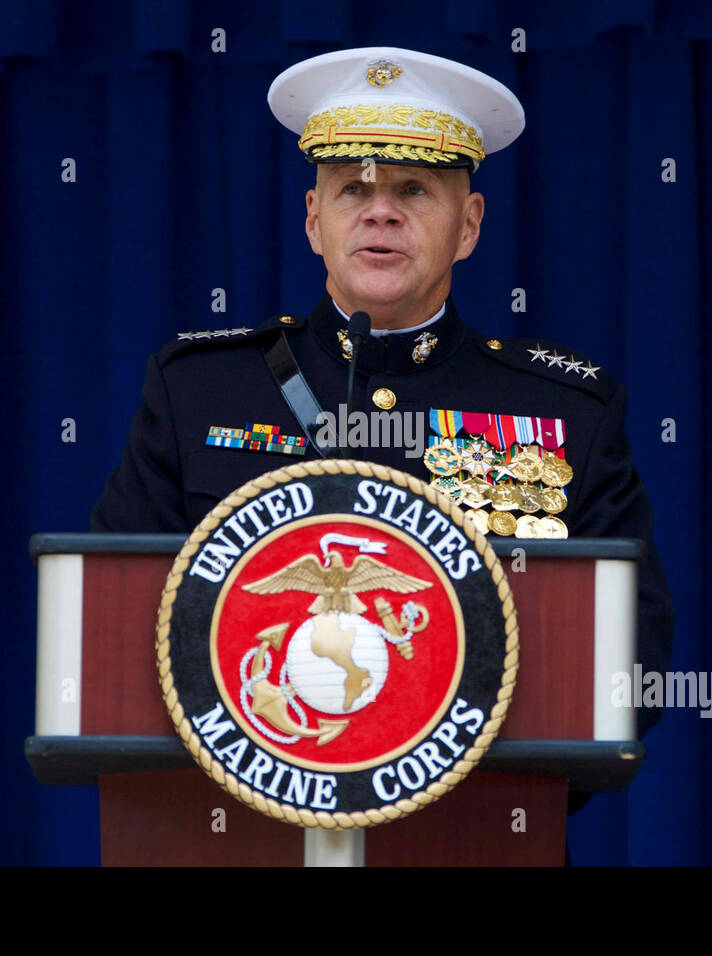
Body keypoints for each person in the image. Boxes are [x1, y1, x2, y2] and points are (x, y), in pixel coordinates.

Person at [90, 47, 675, 779]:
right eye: (350, 190)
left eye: (414, 188)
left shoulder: (563, 409)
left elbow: (629, 654)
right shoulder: (199, 390)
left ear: (468, 225)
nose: (381, 211)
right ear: (313, 219)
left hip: (475, 832)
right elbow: (111, 624)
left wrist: (464, 781)